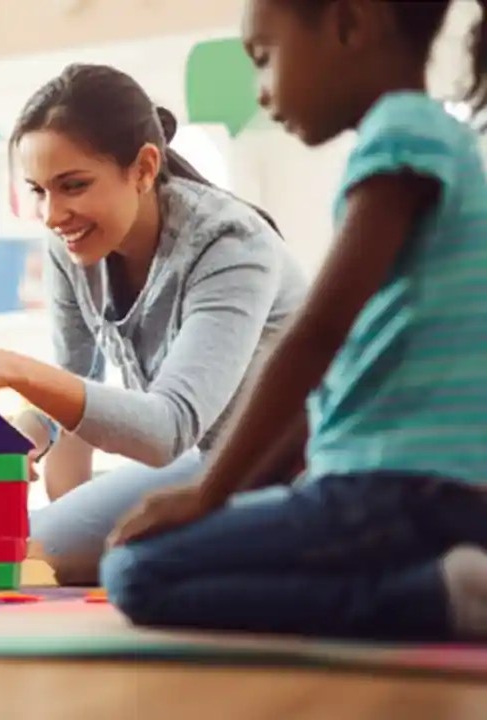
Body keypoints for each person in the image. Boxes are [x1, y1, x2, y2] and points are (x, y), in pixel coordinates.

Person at [100, 0, 487, 640]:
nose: (262, 90)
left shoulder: (400, 135)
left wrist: (207, 495)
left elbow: (316, 335)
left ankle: (436, 600)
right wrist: (235, 494)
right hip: (445, 498)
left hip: (389, 495)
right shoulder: (438, 139)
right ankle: (446, 582)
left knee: (137, 573)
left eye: (264, 57)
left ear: (350, 25)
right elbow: (332, 378)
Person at [0, 63, 306, 584]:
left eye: (74, 185)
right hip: (211, 460)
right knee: (20, 539)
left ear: (144, 168)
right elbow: (71, 382)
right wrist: (16, 440)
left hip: (292, 468)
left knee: (83, 557)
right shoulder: (73, 247)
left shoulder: (230, 245)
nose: (53, 214)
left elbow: (166, 428)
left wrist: (12, 369)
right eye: (39, 191)